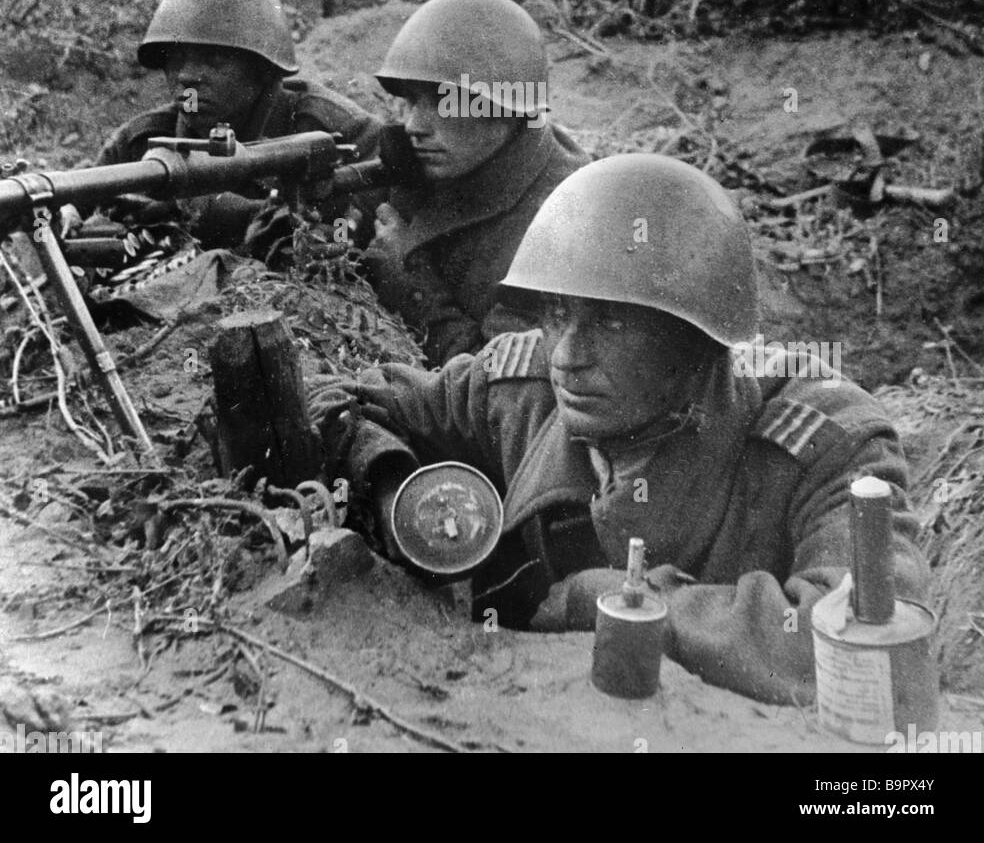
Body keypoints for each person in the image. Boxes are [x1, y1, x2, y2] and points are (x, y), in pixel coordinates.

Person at [318, 154, 930, 705]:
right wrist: (398, 485)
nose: (566, 355)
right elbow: (344, 403)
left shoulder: (829, 441)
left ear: (696, 337)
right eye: (557, 314)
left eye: (610, 325)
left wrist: (604, 602)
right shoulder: (520, 385)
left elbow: (865, 638)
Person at [362, 0, 588, 365]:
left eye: (443, 103)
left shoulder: (562, 223)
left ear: (506, 107)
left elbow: (500, 388)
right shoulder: (429, 156)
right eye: (411, 100)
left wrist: (411, 285)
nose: (414, 125)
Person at [92, 0, 381, 251]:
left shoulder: (339, 131)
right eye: (176, 59)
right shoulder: (141, 142)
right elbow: (70, 204)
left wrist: (210, 213)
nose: (186, 76)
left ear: (263, 69)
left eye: (214, 60)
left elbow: (366, 234)